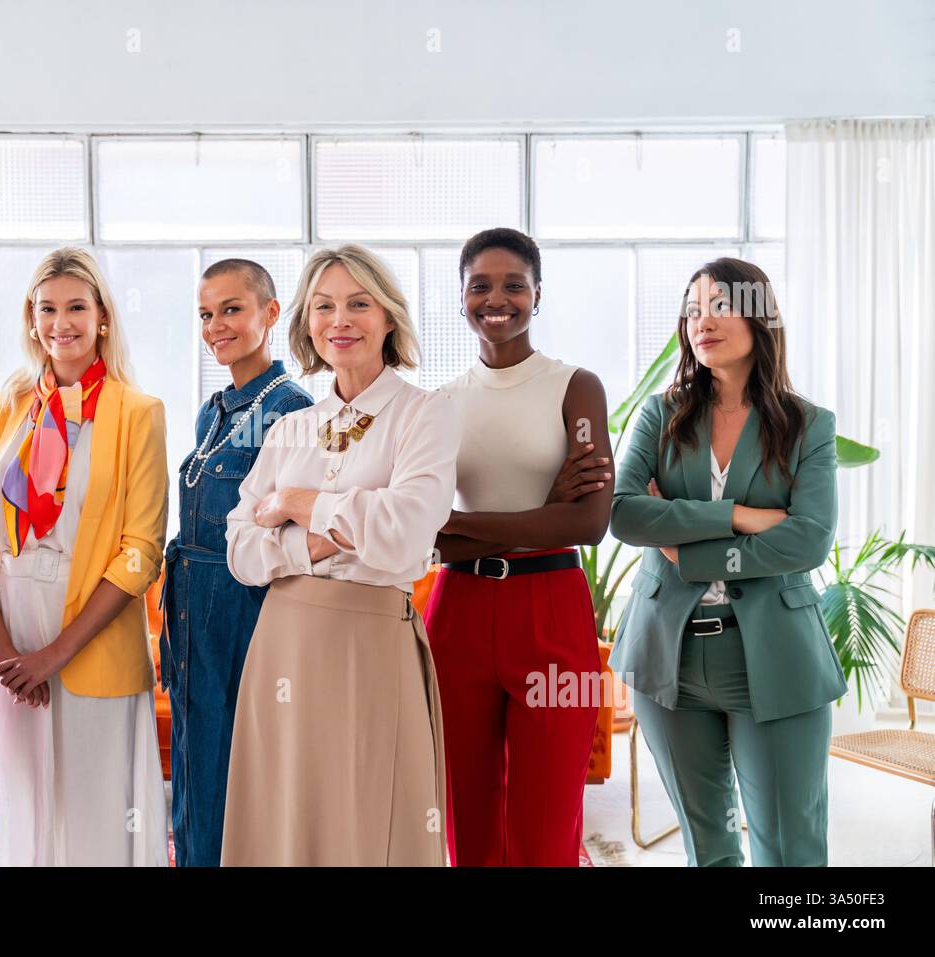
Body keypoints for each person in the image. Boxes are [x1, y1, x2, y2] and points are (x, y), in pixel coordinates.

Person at [221, 244, 461, 866]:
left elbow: (408, 535)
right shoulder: (292, 428)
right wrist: (329, 534)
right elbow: (242, 551)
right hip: (281, 640)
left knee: (369, 816)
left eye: (359, 303)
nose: (340, 320)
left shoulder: (424, 414)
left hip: (370, 643)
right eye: (324, 306)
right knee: (283, 818)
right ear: (306, 322)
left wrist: (300, 500)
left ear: (388, 317)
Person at [610, 257, 845, 866]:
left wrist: (682, 548)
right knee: (705, 845)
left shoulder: (807, 425)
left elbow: (808, 541)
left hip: (774, 652)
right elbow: (624, 514)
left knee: (789, 847)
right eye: (691, 310)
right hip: (669, 655)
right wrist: (738, 516)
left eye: (719, 306)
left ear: (759, 316)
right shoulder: (661, 415)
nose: (701, 322)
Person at [0, 247, 168, 866]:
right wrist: (0, 648)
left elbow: (141, 553)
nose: (61, 322)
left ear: (102, 316)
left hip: (90, 638)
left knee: (95, 819)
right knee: (23, 809)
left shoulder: (138, 413)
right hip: (8, 630)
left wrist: (54, 654)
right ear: (31, 319)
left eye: (76, 307)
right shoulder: (7, 407)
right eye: (46, 308)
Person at [425, 227, 613, 866]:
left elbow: (589, 525)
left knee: (546, 818)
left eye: (514, 285)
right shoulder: (441, 403)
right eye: (480, 285)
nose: (496, 299)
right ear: (461, 298)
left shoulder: (575, 387)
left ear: (538, 295)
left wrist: (462, 526)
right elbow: (425, 532)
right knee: (467, 812)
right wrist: (544, 513)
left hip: (552, 608)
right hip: (460, 613)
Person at [161, 259, 313, 867]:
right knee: (195, 775)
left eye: (231, 309)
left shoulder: (294, 411)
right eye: (205, 314)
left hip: (248, 615)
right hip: (191, 616)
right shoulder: (213, 412)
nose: (216, 325)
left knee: (242, 772)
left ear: (270, 314)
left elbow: (292, 537)